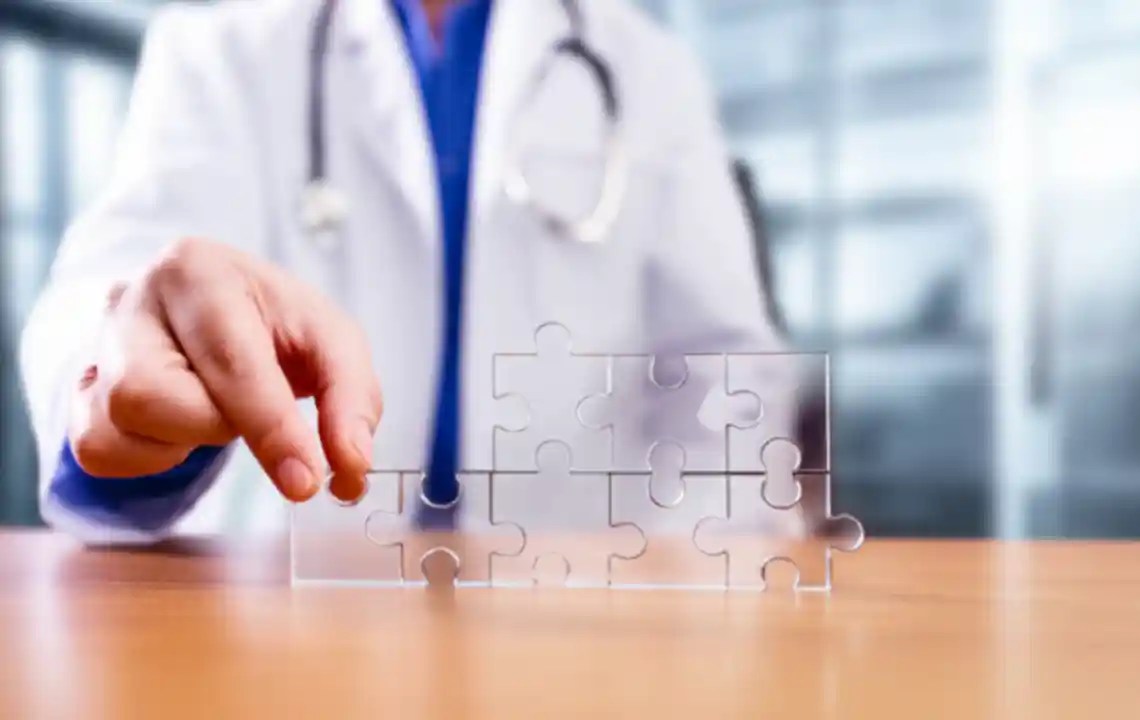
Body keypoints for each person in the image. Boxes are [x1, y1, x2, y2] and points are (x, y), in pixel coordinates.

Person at [20, 0, 784, 543]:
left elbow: (728, 364)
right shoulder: (218, 50)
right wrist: (126, 363)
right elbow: (118, 285)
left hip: (577, 614)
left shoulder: (646, 66)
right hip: (280, 611)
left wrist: (683, 562)